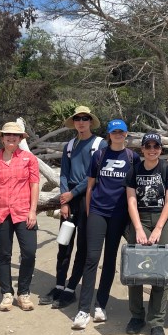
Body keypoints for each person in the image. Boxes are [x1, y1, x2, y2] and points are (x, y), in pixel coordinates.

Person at [71, 119, 138, 329]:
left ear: (126, 134)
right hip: (98, 212)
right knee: (92, 258)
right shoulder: (99, 155)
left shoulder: (132, 157)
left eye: (121, 132)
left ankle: (101, 304)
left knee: (110, 259)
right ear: (108, 135)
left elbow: (135, 189)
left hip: (119, 215)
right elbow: (90, 186)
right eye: (114, 132)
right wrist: (90, 212)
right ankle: (83, 309)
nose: (118, 135)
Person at [39, 106, 106, 309]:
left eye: (85, 118)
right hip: (70, 201)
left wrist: (72, 193)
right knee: (64, 244)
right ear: (74, 122)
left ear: (90, 122)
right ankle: (59, 285)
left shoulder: (99, 144)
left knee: (83, 247)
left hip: (88, 200)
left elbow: (94, 176)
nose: (81, 122)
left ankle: (71, 289)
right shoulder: (70, 145)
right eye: (78, 118)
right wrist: (65, 200)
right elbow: (64, 174)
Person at [124, 133, 168, 335]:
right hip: (140, 216)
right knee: (136, 268)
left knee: (160, 269)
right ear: (142, 149)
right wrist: (138, 228)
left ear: (161, 149)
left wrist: (157, 229)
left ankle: (157, 321)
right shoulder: (134, 170)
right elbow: (131, 200)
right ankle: (137, 316)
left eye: (156, 146)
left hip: (163, 218)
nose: (152, 149)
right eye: (148, 146)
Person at [0, 121, 40, 312]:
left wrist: (33, 211)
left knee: (29, 252)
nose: (11, 138)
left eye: (16, 135)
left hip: (24, 212)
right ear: (2, 137)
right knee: (4, 255)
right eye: (8, 135)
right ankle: (7, 293)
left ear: (21, 138)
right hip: (1, 213)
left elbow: (34, 185)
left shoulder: (29, 159)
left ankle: (23, 292)